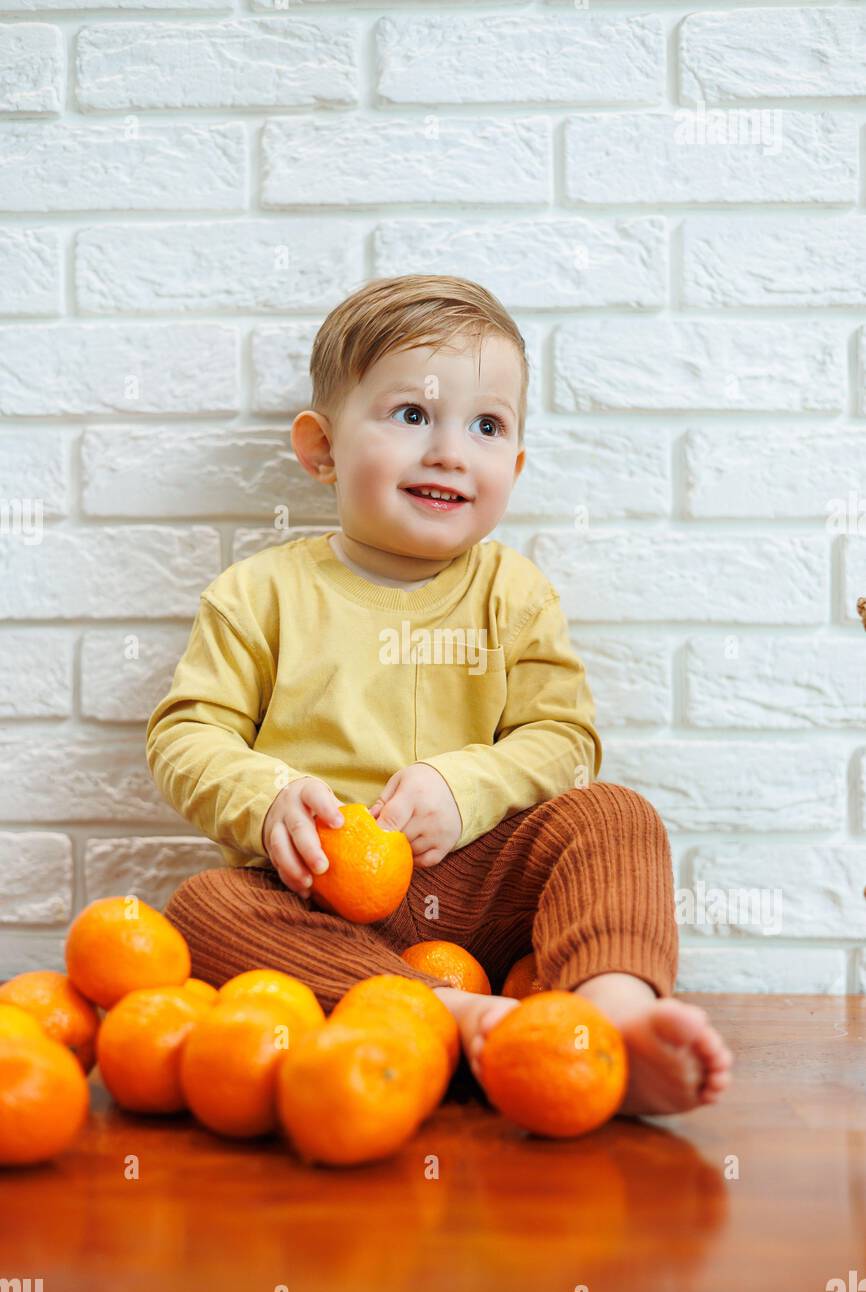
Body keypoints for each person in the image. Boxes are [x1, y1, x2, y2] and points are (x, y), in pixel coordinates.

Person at [145, 274, 733, 1116]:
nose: (451, 451)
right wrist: (268, 799)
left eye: (487, 425)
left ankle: (611, 1023)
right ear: (321, 448)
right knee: (204, 908)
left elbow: (563, 737)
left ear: (516, 464)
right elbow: (187, 733)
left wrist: (464, 788)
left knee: (613, 814)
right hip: (322, 901)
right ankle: (452, 1017)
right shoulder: (258, 593)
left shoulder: (514, 592)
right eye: (412, 415)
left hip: (481, 885)